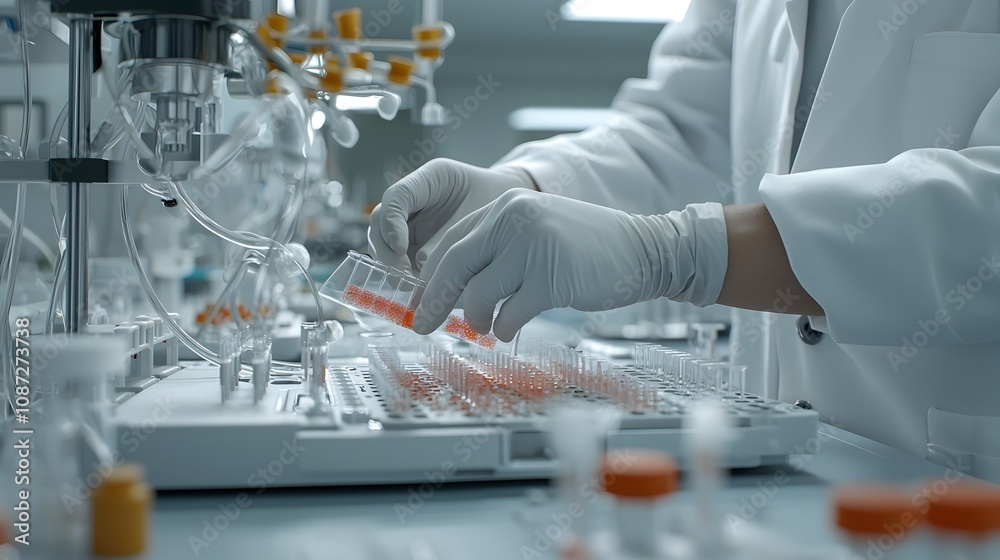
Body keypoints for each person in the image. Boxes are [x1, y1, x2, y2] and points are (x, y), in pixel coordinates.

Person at [368, 0, 1000, 481]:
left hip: (953, 461)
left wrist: (685, 251)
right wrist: (524, 187)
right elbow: (681, 130)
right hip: (774, 460)